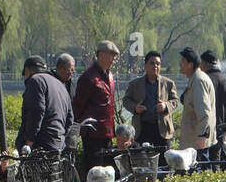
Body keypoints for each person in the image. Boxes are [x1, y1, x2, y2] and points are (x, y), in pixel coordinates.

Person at [73, 40, 120, 173]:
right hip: (93, 133)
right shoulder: (88, 77)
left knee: (107, 171)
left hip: (108, 132)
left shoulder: (109, 75)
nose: (114, 59)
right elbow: (78, 105)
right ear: (101, 55)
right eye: (111, 55)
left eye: (115, 56)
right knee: (94, 171)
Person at [122, 50, 179, 153]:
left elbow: (175, 101)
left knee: (164, 161)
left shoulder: (169, 83)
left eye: (158, 63)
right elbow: (126, 100)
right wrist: (135, 107)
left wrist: (165, 106)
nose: (155, 66)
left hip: (162, 128)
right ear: (145, 65)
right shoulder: (135, 84)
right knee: (141, 159)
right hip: (142, 127)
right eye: (152, 63)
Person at [15, 56, 74, 153]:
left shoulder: (35, 80)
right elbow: (70, 119)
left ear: (27, 70)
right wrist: (59, 137)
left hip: (40, 145)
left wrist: (30, 140)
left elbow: (36, 111)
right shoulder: (61, 85)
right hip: (58, 145)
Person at [178, 46, 216, 162]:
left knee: (200, 173)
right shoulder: (195, 79)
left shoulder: (199, 81)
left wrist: (202, 135)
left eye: (183, 61)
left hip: (198, 143)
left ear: (190, 64)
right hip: (194, 143)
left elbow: (204, 112)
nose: (180, 64)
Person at [201, 50, 226, 168]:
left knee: (207, 165)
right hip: (223, 131)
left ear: (205, 64)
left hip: (206, 131)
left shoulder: (203, 81)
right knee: (223, 163)